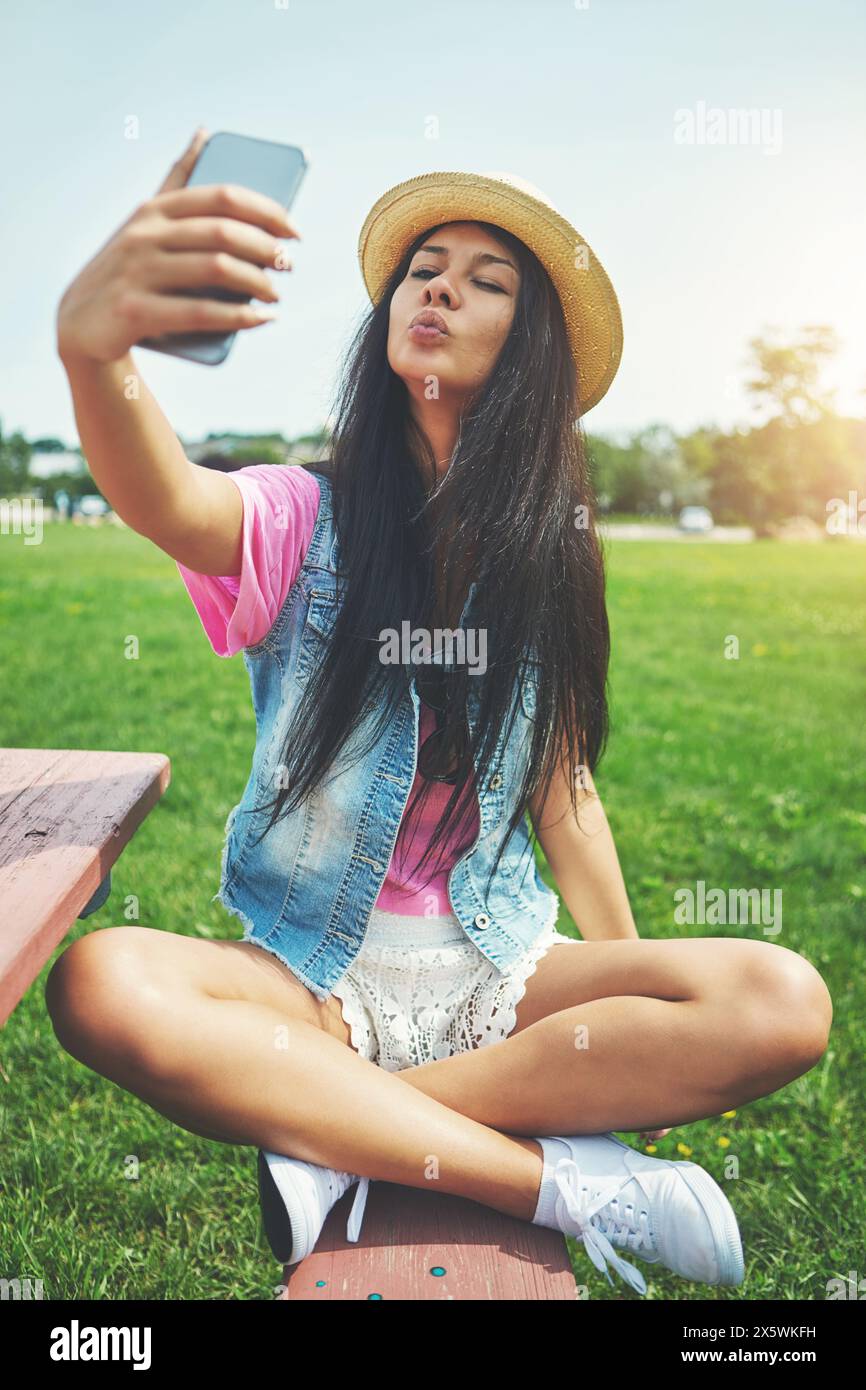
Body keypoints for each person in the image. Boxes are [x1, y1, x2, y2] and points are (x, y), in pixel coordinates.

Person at [48, 128, 832, 1297]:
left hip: (499, 975)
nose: (439, 287)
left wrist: (621, 1006)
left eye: (485, 277)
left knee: (780, 1000)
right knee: (100, 981)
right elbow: (168, 497)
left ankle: (336, 1141)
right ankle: (557, 1183)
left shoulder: (549, 558)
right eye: (424, 267)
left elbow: (563, 790)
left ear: (528, 347)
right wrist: (93, 351)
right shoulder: (300, 521)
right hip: (315, 986)